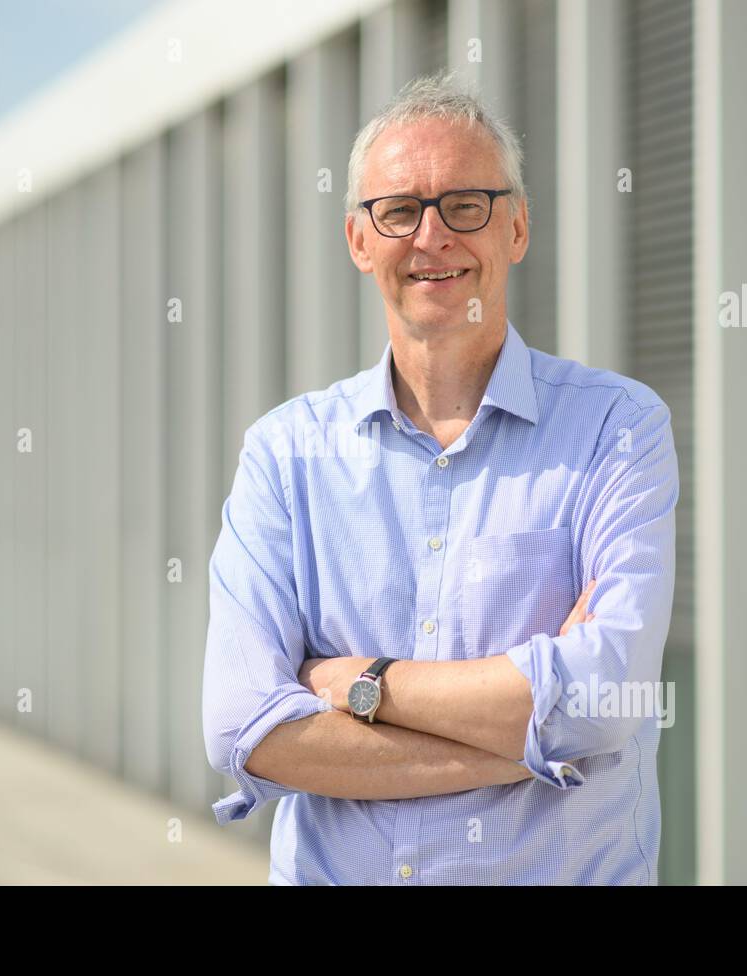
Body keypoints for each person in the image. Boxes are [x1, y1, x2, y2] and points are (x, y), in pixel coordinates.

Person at [202, 71, 678, 884]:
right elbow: (244, 729)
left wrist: (364, 685)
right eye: (399, 210)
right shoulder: (284, 455)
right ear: (358, 240)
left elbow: (606, 699)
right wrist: (524, 741)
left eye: (467, 204)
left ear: (518, 228)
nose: (432, 238)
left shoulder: (616, 430)